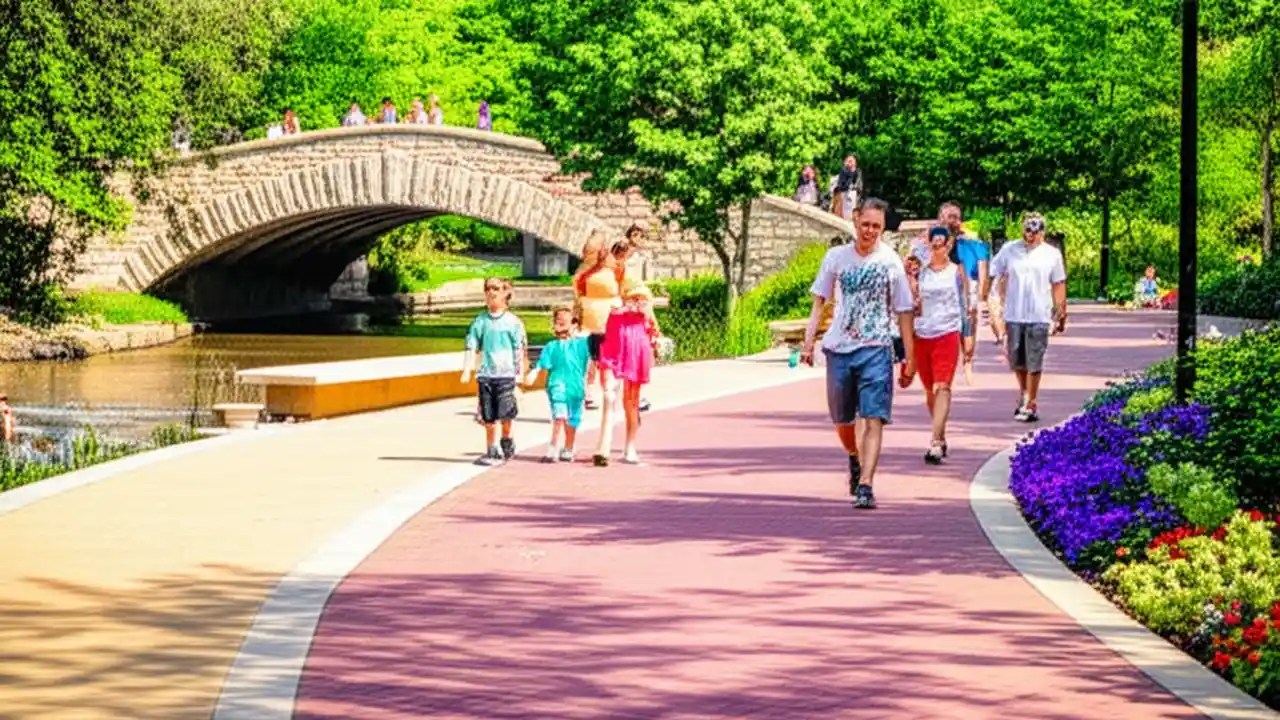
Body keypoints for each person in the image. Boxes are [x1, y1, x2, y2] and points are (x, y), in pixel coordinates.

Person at [800, 198, 916, 510]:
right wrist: (808, 343)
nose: (870, 231)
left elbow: (904, 311)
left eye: (877, 226)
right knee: (842, 419)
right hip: (840, 347)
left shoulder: (890, 262)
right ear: (855, 220)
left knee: (873, 416)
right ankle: (854, 455)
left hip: (876, 347)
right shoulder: (836, 258)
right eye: (866, 224)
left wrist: (910, 357)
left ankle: (866, 484)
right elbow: (819, 301)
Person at [989, 212, 1067, 424]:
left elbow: (1058, 283)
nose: (1030, 234)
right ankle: (1024, 392)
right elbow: (995, 271)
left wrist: (1060, 313)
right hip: (1014, 313)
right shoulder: (1010, 249)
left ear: (1042, 231)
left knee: (1034, 359)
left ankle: (1031, 401)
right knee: (1017, 360)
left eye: (1035, 230)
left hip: (1039, 314)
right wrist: (992, 302)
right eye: (1027, 229)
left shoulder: (1051, 254)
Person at [911, 226, 968, 464]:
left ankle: (934, 441)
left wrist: (968, 337)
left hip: (948, 332)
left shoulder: (956, 272)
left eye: (940, 245)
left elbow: (965, 305)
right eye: (933, 245)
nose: (936, 250)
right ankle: (941, 434)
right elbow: (910, 302)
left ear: (948, 245)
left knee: (942, 386)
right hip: (922, 334)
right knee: (929, 389)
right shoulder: (920, 273)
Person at [460, 277, 529, 465]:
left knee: (506, 414)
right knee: (488, 416)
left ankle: (506, 438)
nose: (491, 293)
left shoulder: (513, 322)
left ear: (505, 293)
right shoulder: (480, 321)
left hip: (506, 375)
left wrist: (519, 376)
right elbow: (471, 344)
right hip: (486, 375)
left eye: (496, 289)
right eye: (488, 289)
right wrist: (467, 368)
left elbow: (519, 349)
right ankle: (491, 448)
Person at [597, 279, 660, 465]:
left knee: (631, 403)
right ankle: (603, 447)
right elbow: (602, 316)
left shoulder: (645, 313)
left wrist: (646, 311)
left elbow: (655, 331)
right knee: (609, 395)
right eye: (633, 297)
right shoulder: (614, 307)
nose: (637, 301)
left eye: (640, 298)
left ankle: (630, 446)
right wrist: (621, 307)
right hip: (613, 353)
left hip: (636, 356)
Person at [526, 307, 590, 463]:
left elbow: (594, 356)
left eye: (564, 321)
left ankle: (568, 447)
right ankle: (553, 447)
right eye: (557, 321)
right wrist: (534, 372)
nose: (559, 324)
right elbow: (543, 363)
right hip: (557, 385)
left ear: (574, 324)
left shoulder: (582, 345)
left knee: (572, 420)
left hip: (576, 387)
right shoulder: (551, 346)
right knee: (559, 416)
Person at [573, 231, 622, 410]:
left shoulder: (614, 267)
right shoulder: (585, 271)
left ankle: (610, 389)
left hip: (610, 320)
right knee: (590, 360)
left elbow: (622, 286)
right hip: (590, 321)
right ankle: (589, 392)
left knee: (609, 359)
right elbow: (579, 290)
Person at [940, 202, 987, 381]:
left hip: (964, 283)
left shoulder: (969, 240)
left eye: (956, 217)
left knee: (968, 322)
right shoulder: (933, 239)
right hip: (942, 287)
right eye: (950, 217)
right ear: (941, 218)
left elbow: (981, 264)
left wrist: (980, 294)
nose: (953, 221)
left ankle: (968, 359)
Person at [828, 155, 863, 221]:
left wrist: (853, 173)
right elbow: (842, 185)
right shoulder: (843, 171)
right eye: (849, 161)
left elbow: (857, 185)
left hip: (851, 197)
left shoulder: (857, 172)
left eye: (852, 161)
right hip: (842, 195)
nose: (851, 163)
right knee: (838, 214)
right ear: (845, 162)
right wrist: (851, 173)